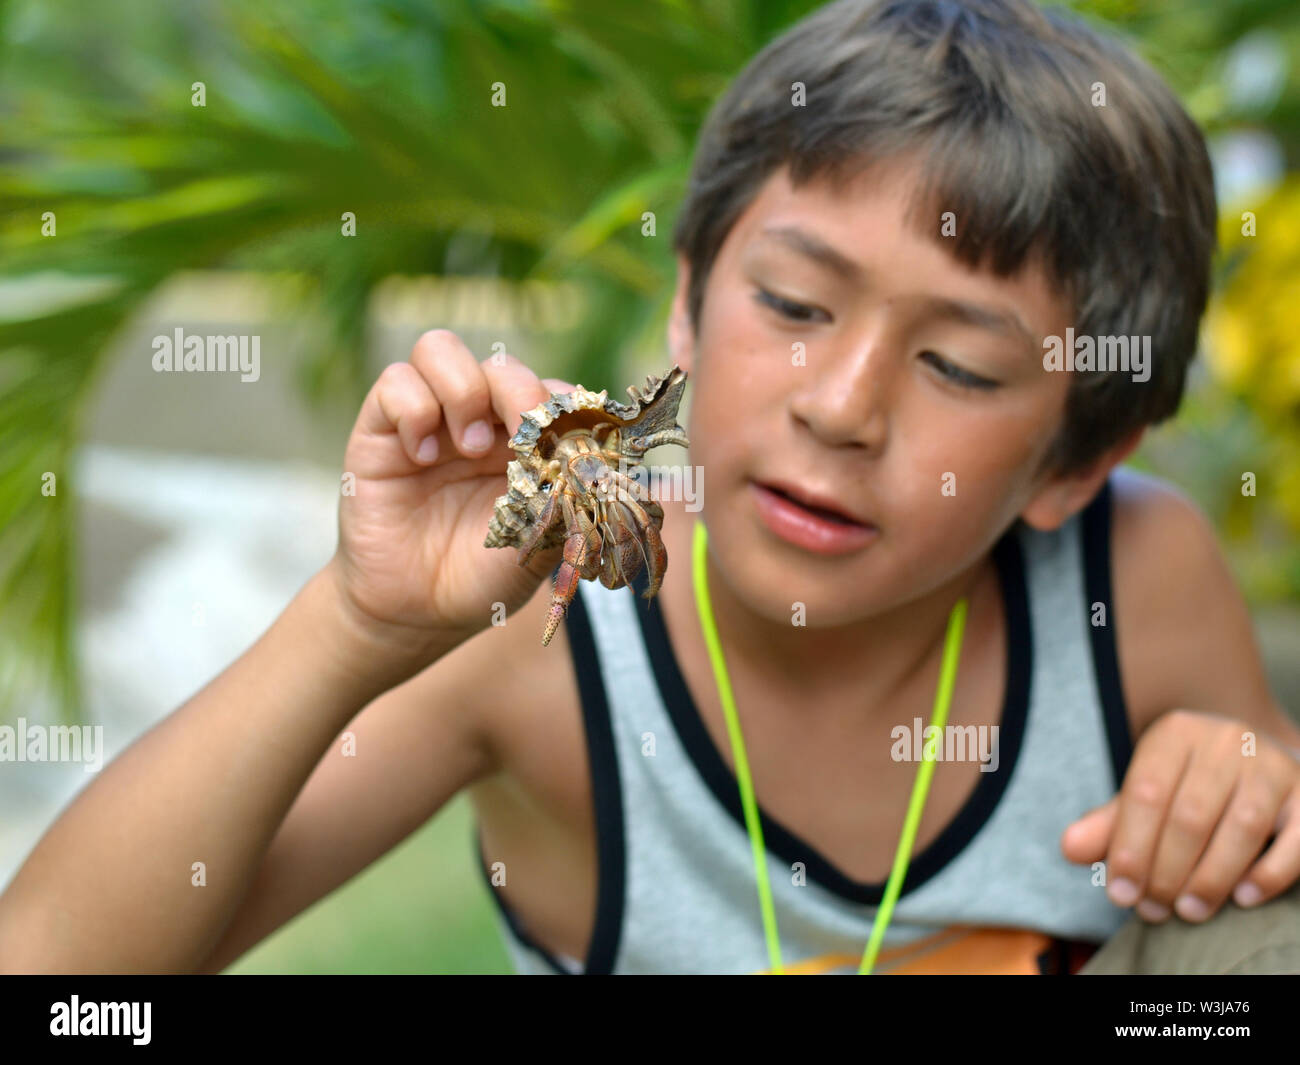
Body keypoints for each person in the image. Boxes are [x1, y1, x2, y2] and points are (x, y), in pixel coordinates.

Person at [3, 0, 1299, 975]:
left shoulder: (1136, 585)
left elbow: (1257, 835)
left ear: (1074, 462)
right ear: (685, 304)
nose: (840, 407)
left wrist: (1248, 779)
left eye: (957, 364)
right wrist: (359, 622)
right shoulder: (542, 627)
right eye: (792, 303)